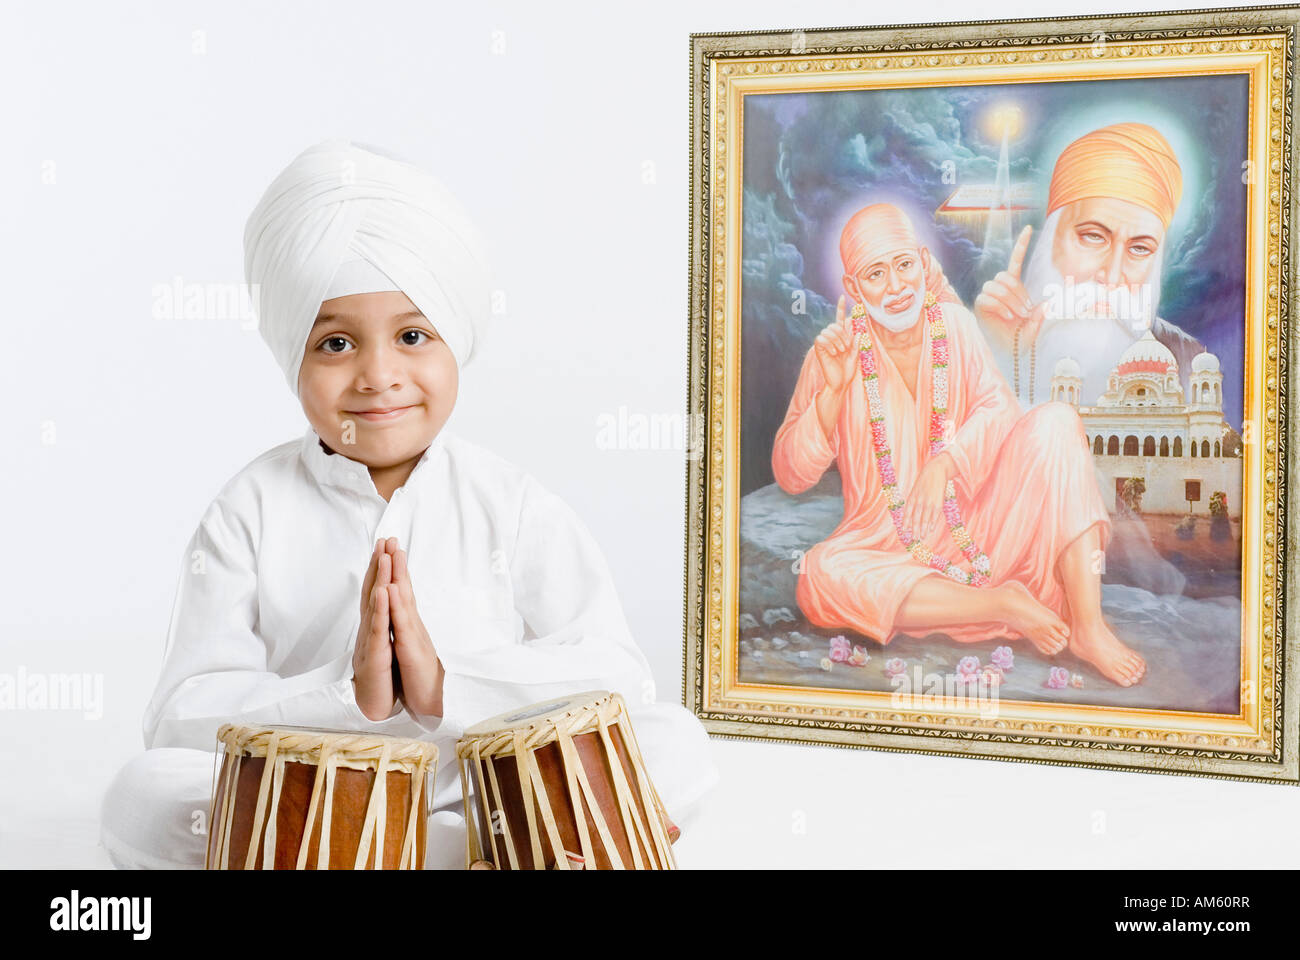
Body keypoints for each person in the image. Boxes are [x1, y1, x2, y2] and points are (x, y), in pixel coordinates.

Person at [99, 139, 718, 869]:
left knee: (678, 740)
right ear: (290, 354)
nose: (379, 375)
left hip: (487, 785)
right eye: (334, 343)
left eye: (413, 335)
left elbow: (615, 674)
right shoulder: (248, 510)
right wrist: (344, 696)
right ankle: (470, 857)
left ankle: (417, 851)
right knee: (142, 793)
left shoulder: (511, 502)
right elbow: (179, 716)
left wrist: (444, 684)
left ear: (456, 342)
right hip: (305, 802)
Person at [771, 202, 1146, 687]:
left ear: (923, 262)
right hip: (882, 546)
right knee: (821, 574)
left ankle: (1089, 628)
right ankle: (1002, 604)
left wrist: (945, 465)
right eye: (876, 274)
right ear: (853, 288)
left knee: (1056, 421)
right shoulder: (836, 354)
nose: (897, 286)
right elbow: (791, 474)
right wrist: (833, 393)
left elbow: (1000, 409)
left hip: (975, 523)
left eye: (905, 265)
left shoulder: (955, 327)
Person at [973, 123, 1206, 406]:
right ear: (1050, 241)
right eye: (1093, 237)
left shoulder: (1186, 358)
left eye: (1139, 248)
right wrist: (999, 356)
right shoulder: (982, 340)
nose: (1110, 275)